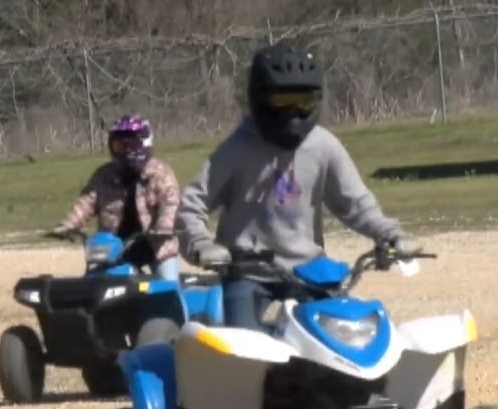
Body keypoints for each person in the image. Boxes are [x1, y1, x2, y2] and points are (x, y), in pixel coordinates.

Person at [175, 44, 420, 332]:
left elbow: (357, 205)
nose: (293, 111)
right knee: (243, 354)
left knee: (341, 344)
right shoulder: (237, 150)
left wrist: (390, 235)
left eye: (302, 101)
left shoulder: (322, 146)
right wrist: (200, 245)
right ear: (260, 100)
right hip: (248, 273)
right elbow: (192, 205)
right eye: (283, 101)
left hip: (310, 272)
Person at [49, 114, 182, 281]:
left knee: (168, 285)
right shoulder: (104, 175)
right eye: (119, 146)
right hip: (115, 247)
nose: (125, 151)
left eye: (131, 145)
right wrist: (67, 225)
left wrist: (164, 227)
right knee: (95, 282)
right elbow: (86, 202)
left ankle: (175, 306)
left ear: (144, 144)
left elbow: (171, 203)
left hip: (156, 244)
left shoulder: (161, 173)